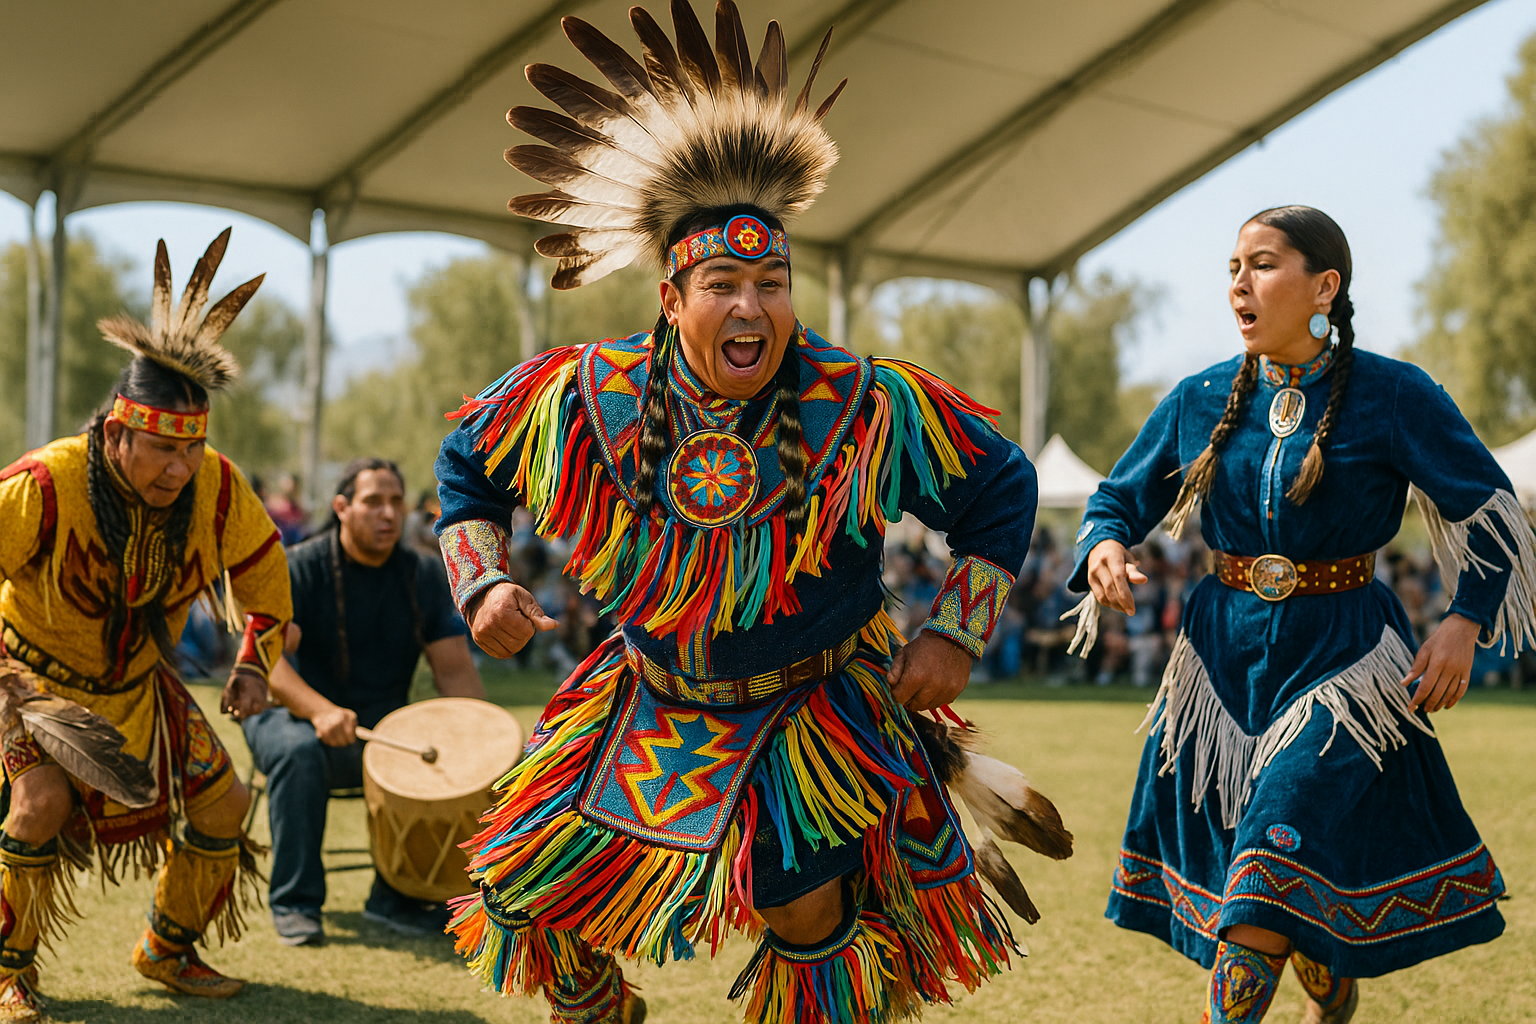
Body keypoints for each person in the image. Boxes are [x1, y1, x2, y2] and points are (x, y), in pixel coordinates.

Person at [433, 7, 1067, 1024]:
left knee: (800, 905)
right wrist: (485, 577)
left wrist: (956, 630)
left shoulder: (863, 404)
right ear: (672, 295)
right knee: (527, 893)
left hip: (808, 707)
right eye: (723, 284)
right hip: (651, 692)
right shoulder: (586, 392)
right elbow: (467, 462)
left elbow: (1000, 488)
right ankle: (602, 1006)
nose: (751, 309)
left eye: (771, 283)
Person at [1065, 206, 1529, 1024]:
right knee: (1281, 879)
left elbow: (1494, 510)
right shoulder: (1201, 396)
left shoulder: (1393, 394)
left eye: (1263, 264)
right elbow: (1115, 496)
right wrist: (1103, 547)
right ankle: (1332, 993)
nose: (1240, 283)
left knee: (1265, 866)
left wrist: (1465, 619)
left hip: (1346, 665)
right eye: (1233, 267)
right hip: (1222, 666)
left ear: (1325, 286)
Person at [0, 230, 289, 1020]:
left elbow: (268, 581)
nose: (177, 470)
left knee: (225, 804)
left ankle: (167, 948)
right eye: (160, 450)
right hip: (23, 681)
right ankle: (6, 969)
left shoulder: (217, 491)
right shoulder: (44, 484)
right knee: (39, 806)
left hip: (136, 687)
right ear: (116, 433)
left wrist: (255, 662)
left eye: (190, 452)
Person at [241, 458, 484, 946]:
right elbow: (268, 665)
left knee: (456, 755)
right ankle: (296, 902)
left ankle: (396, 896)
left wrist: (481, 738)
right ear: (341, 508)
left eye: (396, 501)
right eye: (373, 501)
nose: (389, 513)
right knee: (299, 753)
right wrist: (319, 711)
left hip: (383, 727)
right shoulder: (298, 567)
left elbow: (454, 669)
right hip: (289, 715)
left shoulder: (422, 574)